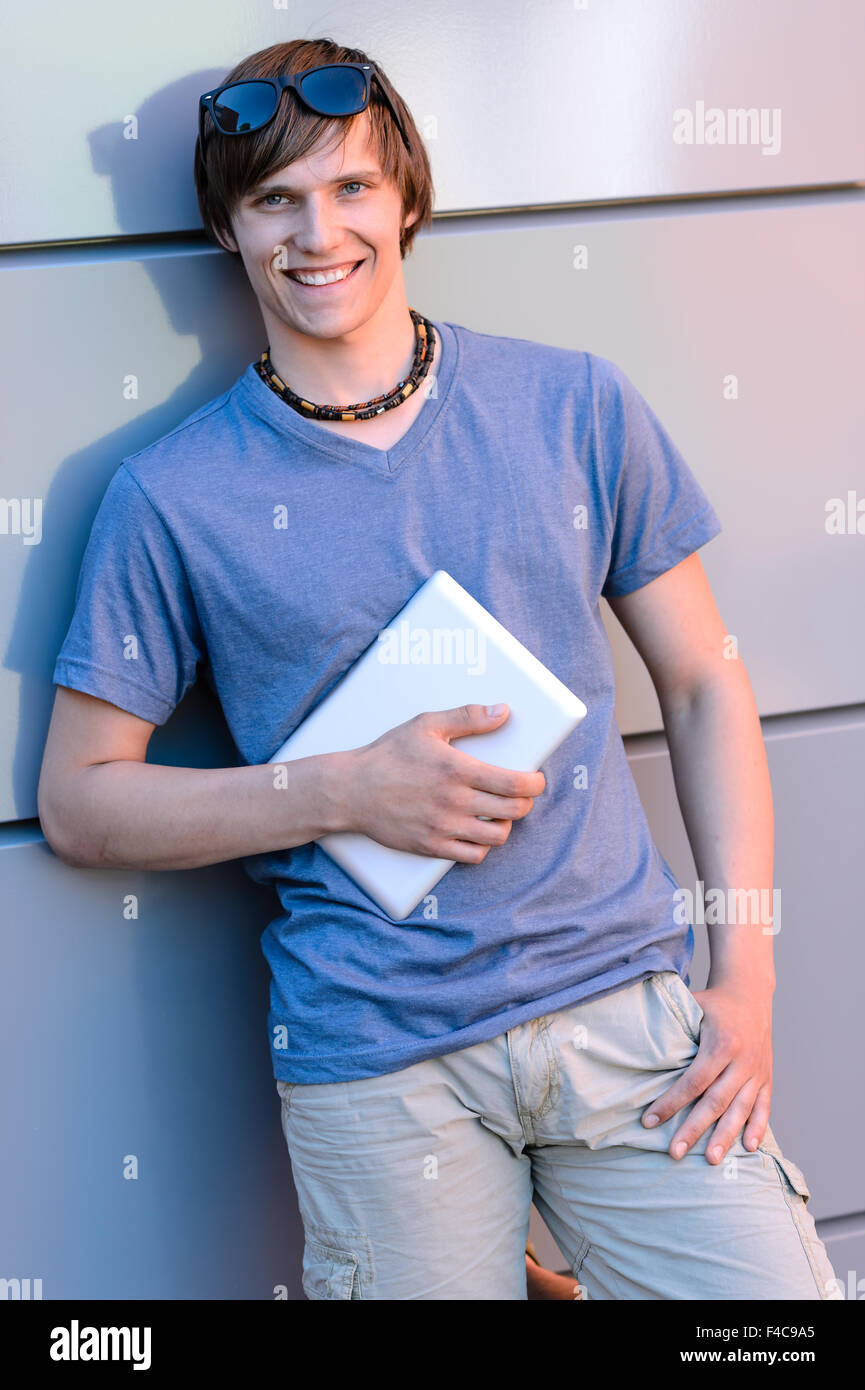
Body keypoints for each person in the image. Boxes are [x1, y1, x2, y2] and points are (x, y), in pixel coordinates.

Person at [38, 35, 841, 1301]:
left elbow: (702, 680)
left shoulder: (572, 404)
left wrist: (746, 973)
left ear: (405, 194)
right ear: (229, 231)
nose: (318, 233)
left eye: (350, 187)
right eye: (274, 201)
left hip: (626, 1022)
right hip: (377, 1061)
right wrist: (339, 791)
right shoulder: (173, 496)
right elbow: (81, 804)